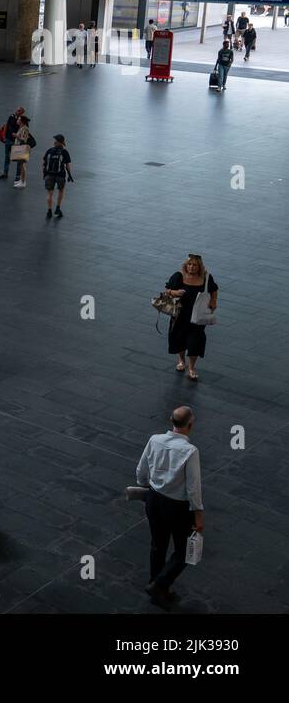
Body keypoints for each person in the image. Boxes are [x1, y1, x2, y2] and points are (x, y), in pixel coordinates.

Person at [136, 406, 204, 604]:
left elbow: (141, 470)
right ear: (190, 426)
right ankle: (159, 585)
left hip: (154, 500)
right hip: (178, 508)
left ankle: (156, 585)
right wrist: (199, 514)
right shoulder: (190, 451)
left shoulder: (154, 439)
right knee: (184, 551)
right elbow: (193, 488)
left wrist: (144, 486)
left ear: (171, 421)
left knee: (158, 545)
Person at [164, 254, 218, 382]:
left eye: (194, 265)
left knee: (195, 341)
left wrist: (214, 301)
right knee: (179, 339)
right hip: (180, 315)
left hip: (198, 315)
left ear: (199, 266)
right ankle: (182, 361)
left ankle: (192, 368)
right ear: (186, 265)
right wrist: (174, 292)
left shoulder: (206, 277)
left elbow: (214, 289)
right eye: (189, 264)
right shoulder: (179, 276)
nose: (191, 267)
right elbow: (167, 290)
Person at [41, 134, 74, 220]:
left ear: (56, 142)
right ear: (62, 143)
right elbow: (68, 165)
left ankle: (49, 211)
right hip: (60, 175)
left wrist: (44, 174)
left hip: (49, 174)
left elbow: (43, 163)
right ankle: (58, 208)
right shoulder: (64, 152)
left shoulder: (49, 150)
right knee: (61, 191)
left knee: (49, 194)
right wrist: (69, 175)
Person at [0, 106, 26, 179]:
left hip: (17, 142)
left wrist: (17, 137)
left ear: (22, 113)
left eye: (19, 111)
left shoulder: (23, 120)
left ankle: (17, 176)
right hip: (8, 140)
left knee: (18, 159)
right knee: (7, 157)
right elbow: (6, 125)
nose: (17, 111)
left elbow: (24, 131)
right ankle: (5, 173)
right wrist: (4, 136)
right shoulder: (11, 116)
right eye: (17, 110)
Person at [11, 116, 35, 188]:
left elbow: (24, 139)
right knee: (21, 165)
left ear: (22, 121)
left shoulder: (25, 128)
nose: (17, 120)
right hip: (20, 148)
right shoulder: (21, 128)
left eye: (19, 119)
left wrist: (16, 136)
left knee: (23, 165)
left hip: (23, 149)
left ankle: (23, 182)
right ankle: (21, 180)